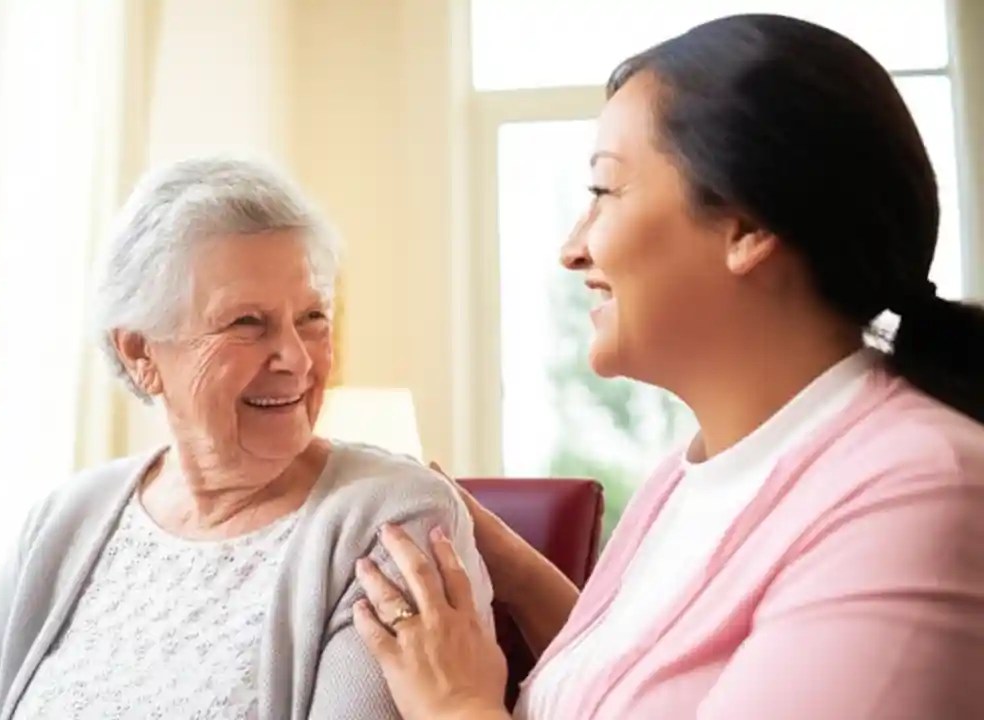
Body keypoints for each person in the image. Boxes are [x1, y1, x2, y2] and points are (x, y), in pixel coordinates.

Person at [351, 14, 984, 720]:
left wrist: (454, 704)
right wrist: (520, 576)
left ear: (746, 228)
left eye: (603, 193)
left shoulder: (917, 495)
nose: (572, 249)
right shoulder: (693, 477)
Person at [0, 157, 493, 719]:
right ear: (141, 351)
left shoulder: (391, 524)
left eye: (313, 317)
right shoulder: (65, 517)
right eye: (247, 323)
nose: (295, 357)